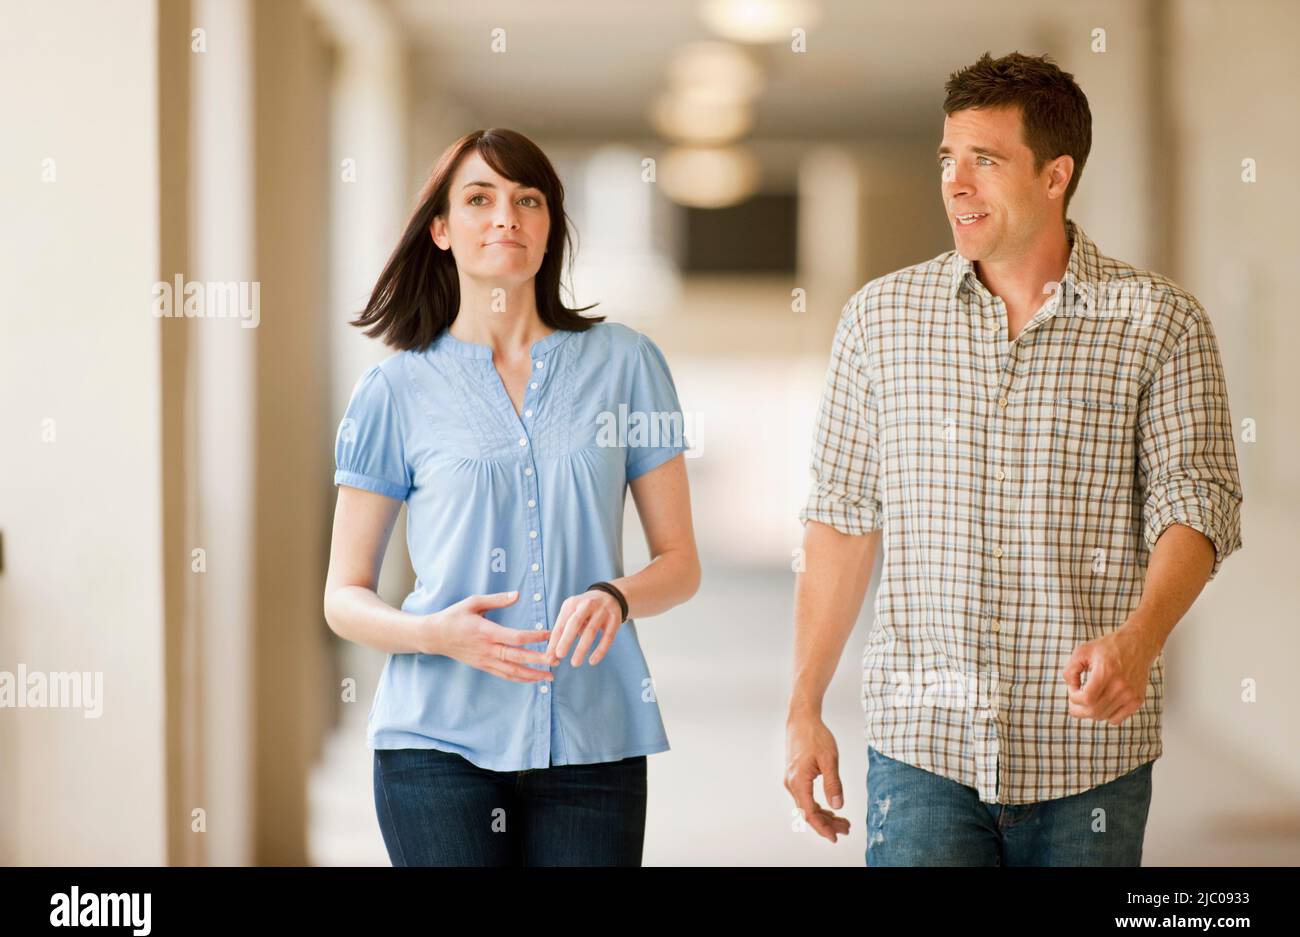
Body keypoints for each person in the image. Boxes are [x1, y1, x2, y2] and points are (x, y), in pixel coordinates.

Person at [784, 52, 1243, 866]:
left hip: (1088, 756)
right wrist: (804, 704)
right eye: (947, 159)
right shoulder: (879, 321)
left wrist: (1141, 637)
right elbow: (842, 519)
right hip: (922, 748)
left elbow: (1197, 502)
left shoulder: (1160, 323)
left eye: (985, 161)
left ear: (1055, 174)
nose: (955, 184)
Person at [323, 128, 700, 866]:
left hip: (595, 740)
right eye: (479, 199)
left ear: (550, 225)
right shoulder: (393, 390)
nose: (506, 217)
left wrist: (616, 596)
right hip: (434, 743)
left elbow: (680, 563)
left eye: (528, 200)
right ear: (441, 229)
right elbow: (344, 596)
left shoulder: (628, 364)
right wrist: (435, 634)